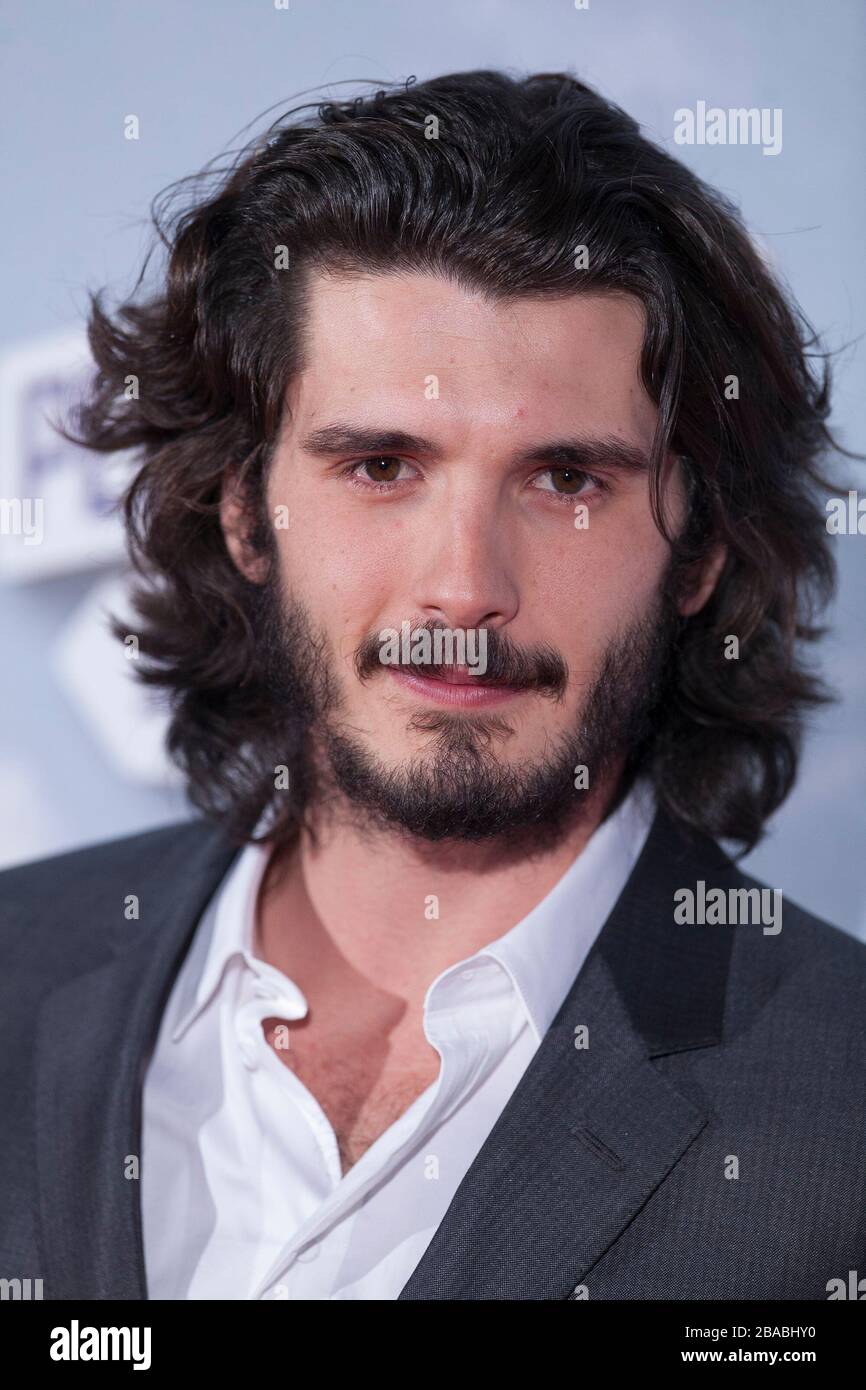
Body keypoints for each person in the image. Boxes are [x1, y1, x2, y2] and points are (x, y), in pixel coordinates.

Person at [1, 70, 864, 1301]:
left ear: (699, 552)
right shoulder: (15, 962)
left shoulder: (838, 1114)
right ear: (247, 509)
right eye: (380, 466)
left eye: (566, 479)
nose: (463, 588)